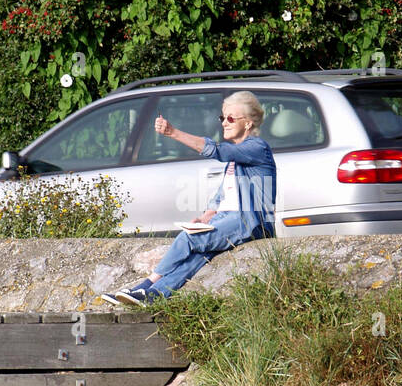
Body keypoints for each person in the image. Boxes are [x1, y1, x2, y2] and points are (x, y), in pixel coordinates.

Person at [103, 91, 277, 304]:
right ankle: (154, 295)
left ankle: (146, 284)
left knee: (189, 238)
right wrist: (206, 218)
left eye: (231, 118)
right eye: (223, 118)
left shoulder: (257, 148)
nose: (224, 123)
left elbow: (216, 151)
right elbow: (223, 195)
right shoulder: (238, 156)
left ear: (248, 124)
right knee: (196, 255)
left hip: (249, 222)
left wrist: (173, 133)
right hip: (229, 220)